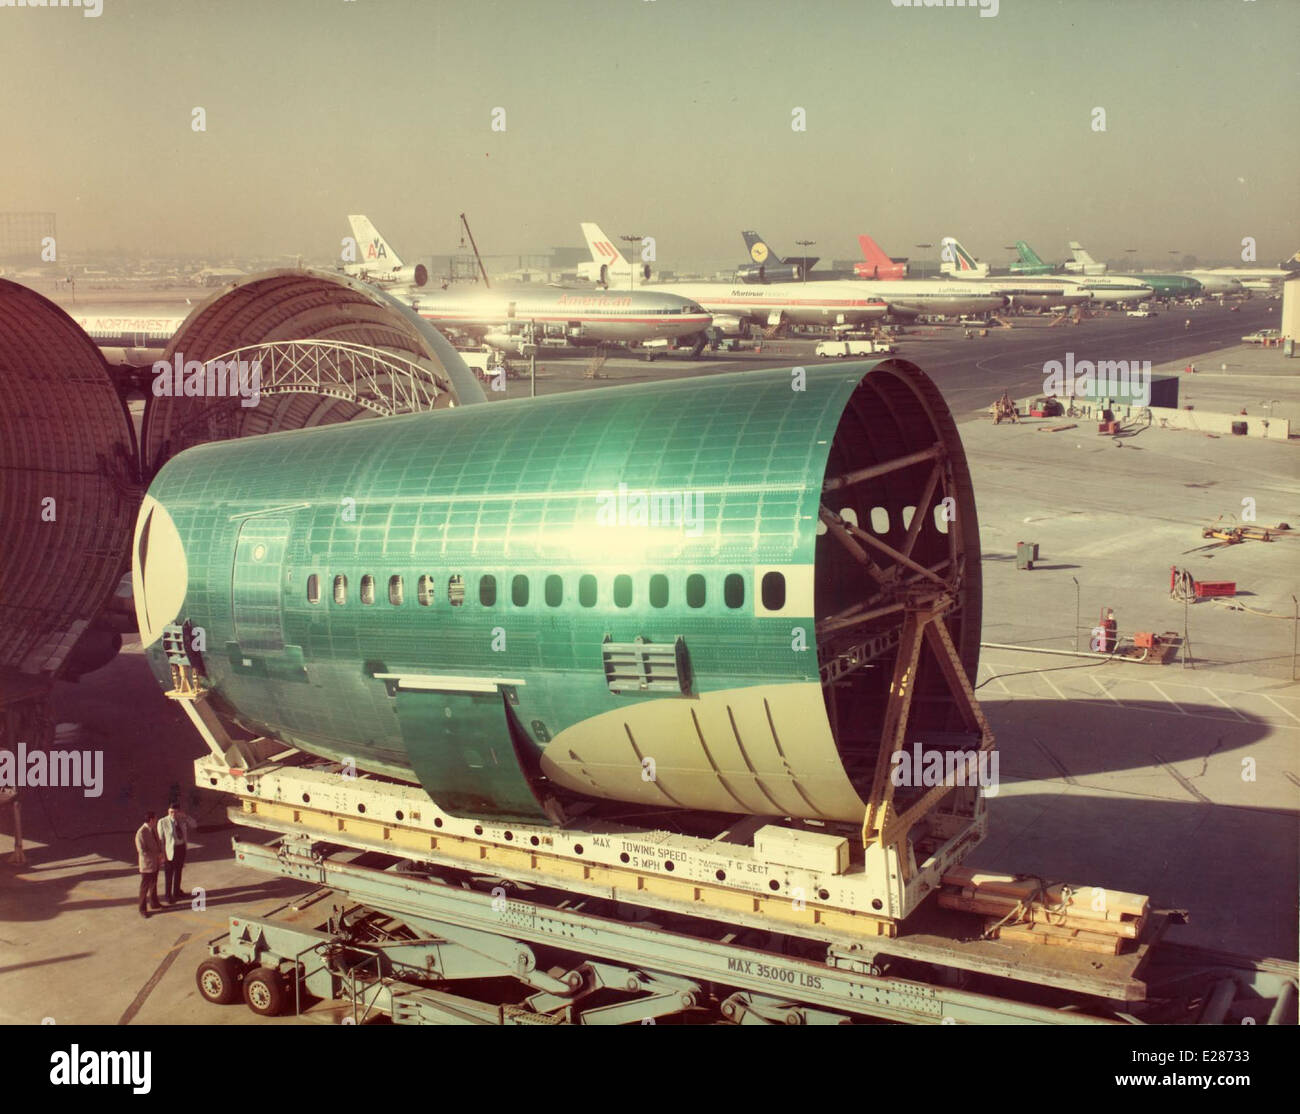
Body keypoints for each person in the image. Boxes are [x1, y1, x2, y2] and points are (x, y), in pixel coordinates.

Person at [157, 803, 193, 905]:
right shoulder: (163, 822)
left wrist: (185, 816)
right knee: (169, 874)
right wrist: (163, 855)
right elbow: (161, 840)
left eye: (175, 812)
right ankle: (168, 895)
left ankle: (177, 892)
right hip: (170, 851)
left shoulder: (182, 820)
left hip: (181, 848)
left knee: (178, 872)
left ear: (179, 812)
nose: (172, 814)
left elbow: (194, 825)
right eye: (170, 812)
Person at [135, 812, 162, 918]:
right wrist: (157, 854)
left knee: (154, 884)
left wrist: (160, 854)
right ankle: (142, 909)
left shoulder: (152, 829)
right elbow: (142, 851)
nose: (156, 821)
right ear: (151, 820)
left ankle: (154, 903)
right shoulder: (141, 833)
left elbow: (157, 843)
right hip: (147, 865)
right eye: (155, 819)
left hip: (155, 862)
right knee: (144, 887)